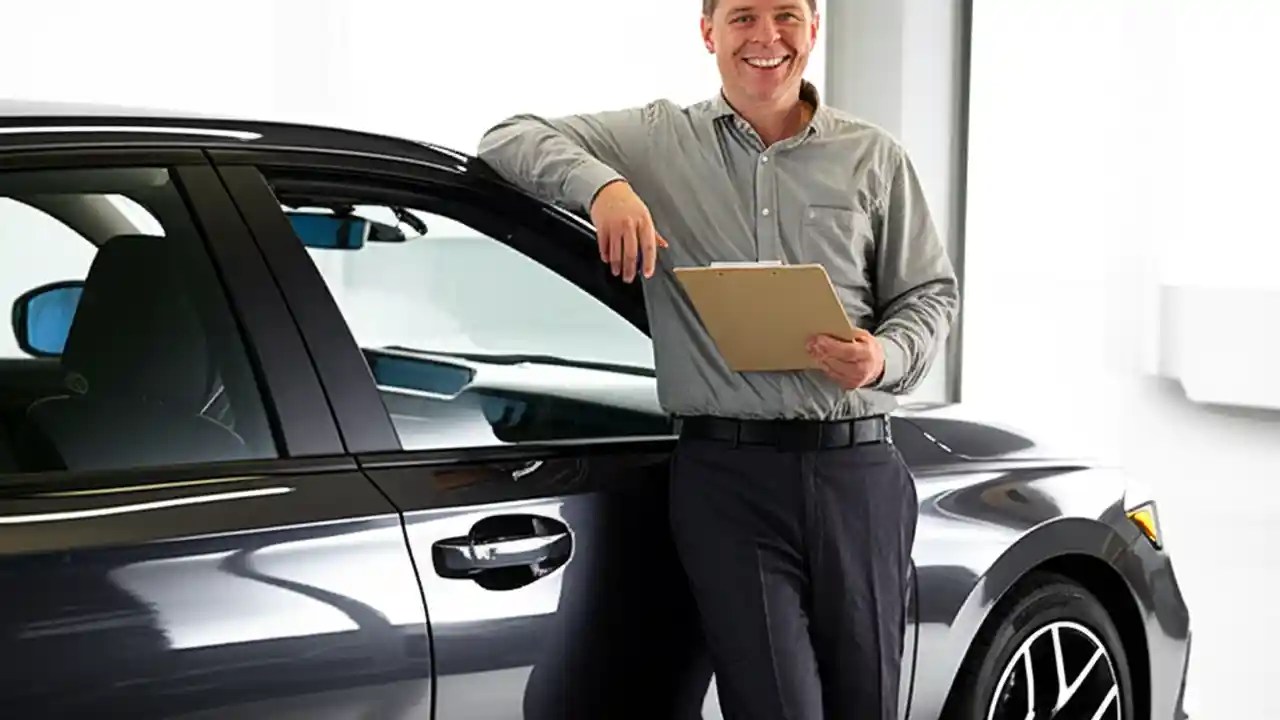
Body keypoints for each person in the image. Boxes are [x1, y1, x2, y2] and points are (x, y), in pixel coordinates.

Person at [477, 1, 959, 717]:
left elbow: (930, 295)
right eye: (742, 17)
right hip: (728, 484)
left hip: (859, 476)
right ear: (708, 32)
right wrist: (604, 188)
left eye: (787, 15)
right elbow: (506, 139)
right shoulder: (653, 140)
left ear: (814, 27)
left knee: (866, 703)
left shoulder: (873, 157)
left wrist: (882, 357)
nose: (767, 38)